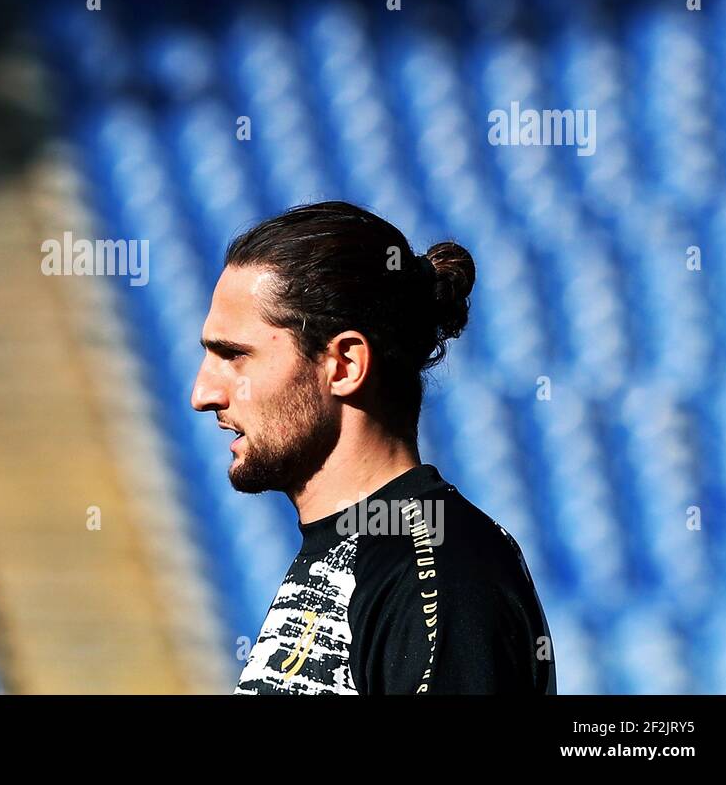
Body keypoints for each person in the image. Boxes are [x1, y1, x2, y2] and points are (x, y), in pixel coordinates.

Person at [191, 201, 556, 694]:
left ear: (343, 365)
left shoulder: (440, 572)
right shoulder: (360, 550)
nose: (203, 394)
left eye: (235, 355)